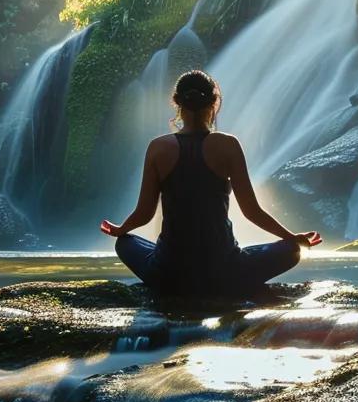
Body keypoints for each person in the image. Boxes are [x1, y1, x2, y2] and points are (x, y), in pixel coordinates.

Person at [101, 70, 322, 297]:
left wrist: (120, 230)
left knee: (124, 243)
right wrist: (292, 238)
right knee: (292, 250)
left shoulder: (158, 148)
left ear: (176, 102)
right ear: (214, 102)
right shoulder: (228, 145)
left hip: (168, 272)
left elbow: (144, 213)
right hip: (225, 271)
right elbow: (252, 211)